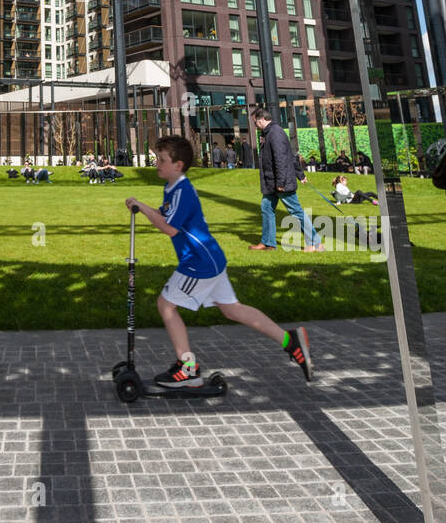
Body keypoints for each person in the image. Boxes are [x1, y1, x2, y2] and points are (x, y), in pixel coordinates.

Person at [125, 135, 313, 386]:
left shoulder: (182, 189)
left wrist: (142, 208)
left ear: (178, 165)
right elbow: (166, 214)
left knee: (166, 306)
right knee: (232, 309)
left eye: (162, 160)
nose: (157, 164)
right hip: (209, 259)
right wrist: (142, 206)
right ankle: (291, 341)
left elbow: (170, 228)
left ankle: (188, 369)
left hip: (198, 262)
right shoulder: (171, 187)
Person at [248, 108, 324, 252]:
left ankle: (315, 244)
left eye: (255, 122)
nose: (255, 126)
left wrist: (281, 183)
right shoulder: (270, 133)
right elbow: (290, 156)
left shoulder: (275, 133)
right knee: (266, 208)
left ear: (262, 119)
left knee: (296, 211)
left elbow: (282, 160)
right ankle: (268, 243)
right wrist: (300, 174)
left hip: (280, 183)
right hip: (272, 182)